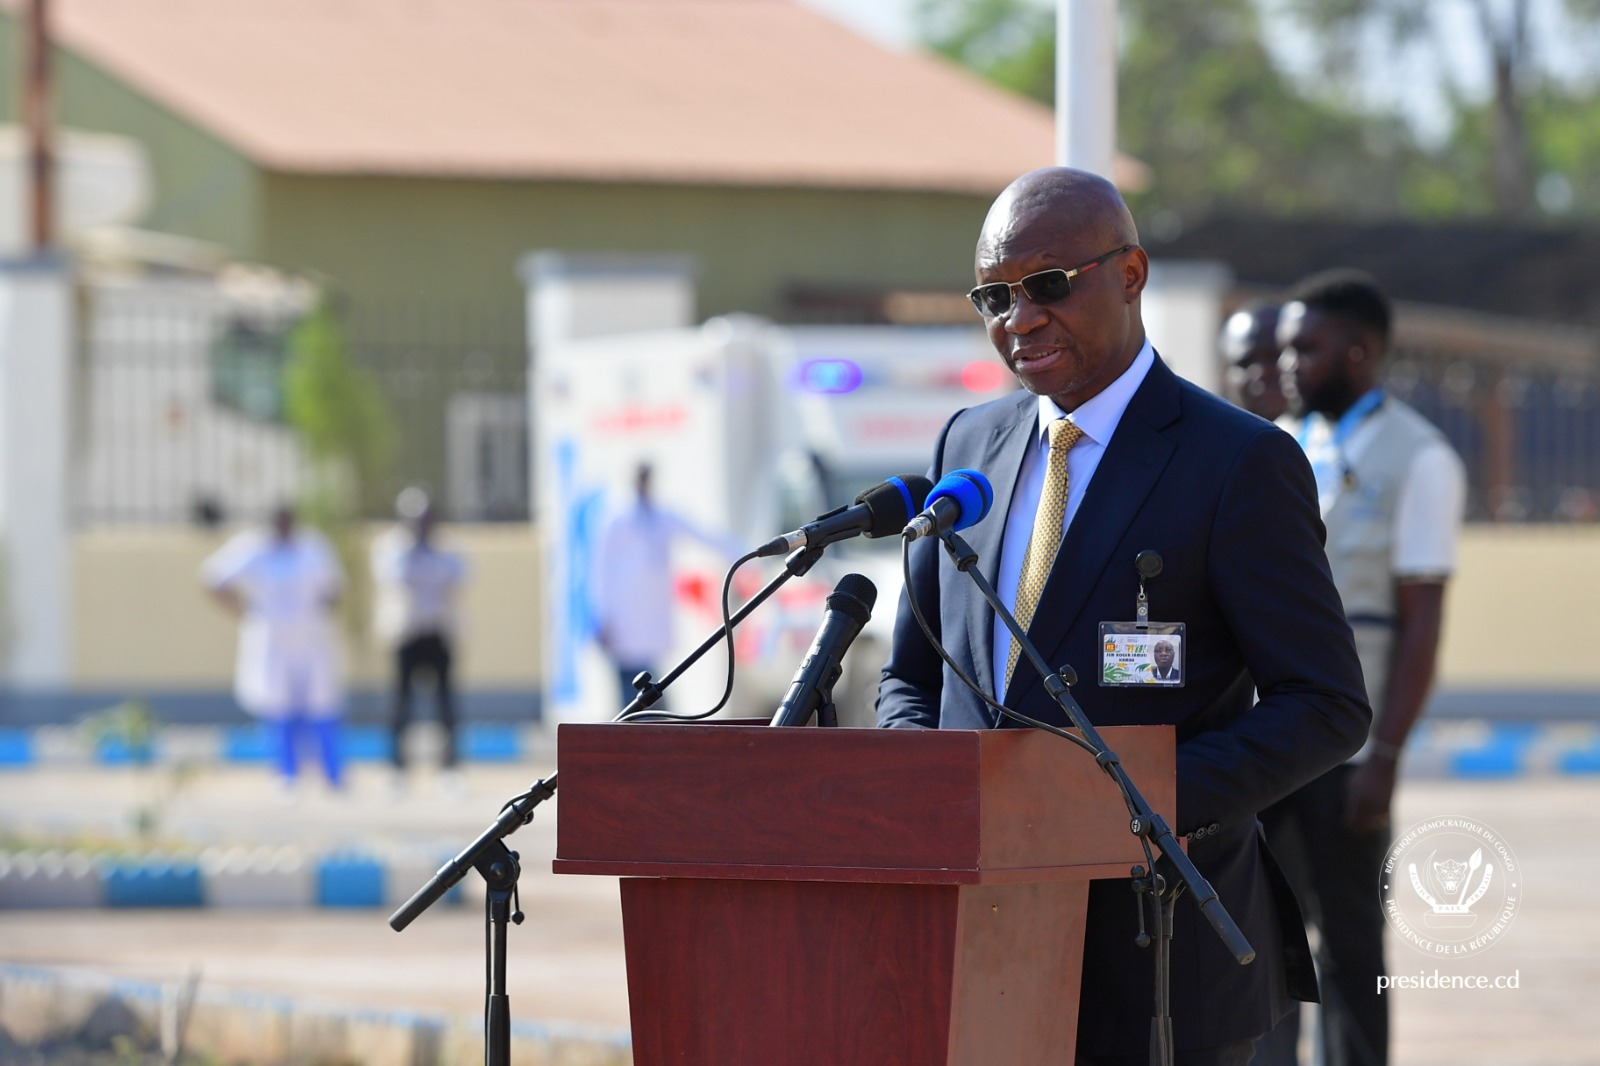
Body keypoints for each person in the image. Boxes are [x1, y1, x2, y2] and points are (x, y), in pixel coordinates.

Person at [877, 167, 1370, 1066]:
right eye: (994, 295)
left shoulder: (1237, 463)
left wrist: (1143, 804)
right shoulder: (967, 444)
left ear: (1131, 273)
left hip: (1152, 958)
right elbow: (913, 673)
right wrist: (926, 784)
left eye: (1049, 286)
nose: (1018, 319)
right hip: (966, 941)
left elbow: (1326, 704)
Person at [1255, 269, 1466, 1066]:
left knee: (1349, 939)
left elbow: (1423, 623)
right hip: (1269, 731)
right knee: (1264, 930)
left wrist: (1386, 758)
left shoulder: (1422, 459)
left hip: (1349, 743)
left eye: (1304, 349)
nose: (1286, 365)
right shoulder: (1291, 443)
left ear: (1358, 352)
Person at [201, 504, 346, 792]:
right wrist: (243, 609)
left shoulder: (313, 546)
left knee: (322, 702)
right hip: (273, 639)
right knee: (278, 703)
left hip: (311, 638)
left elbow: (336, 587)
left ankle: (333, 774)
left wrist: (320, 611)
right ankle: (286, 773)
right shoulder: (254, 548)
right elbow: (212, 578)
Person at [591, 463, 739, 710]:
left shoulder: (662, 517)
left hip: (649, 621)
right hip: (623, 621)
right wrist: (603, 616)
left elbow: (703, 535)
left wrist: (747, 553)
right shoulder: (617, 521)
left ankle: (653, 735)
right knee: (629, 692)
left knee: (649, 685)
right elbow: (601, 572)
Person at [372, 487, 468, 787]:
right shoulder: (391, 546)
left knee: (445, 705)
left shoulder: (448, 547)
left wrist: (428, 568)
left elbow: (458, 577)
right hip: (406, 633)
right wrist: (418, 557)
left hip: (438, 631)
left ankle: (449, 768)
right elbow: (396, 577)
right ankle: (397, 768)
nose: (422, 525)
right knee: (401, 704)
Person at [1220, 303, 1289, 421]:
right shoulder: (1209, 437)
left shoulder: (1326, 437)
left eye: (1274, 356)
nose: (1262, 372)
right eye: (1245, 363)